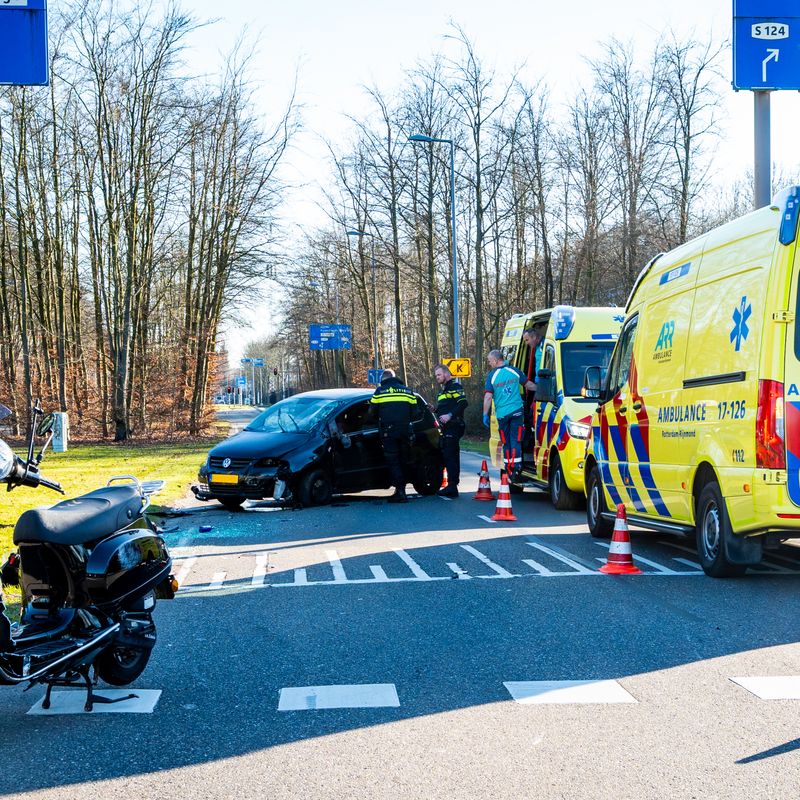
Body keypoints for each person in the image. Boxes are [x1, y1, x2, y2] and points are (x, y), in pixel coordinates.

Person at [482, 349, 536, 479]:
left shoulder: (492, 376)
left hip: (502, 415)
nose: (489, 363)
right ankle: (516, 469)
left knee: (506, 442)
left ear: (496, 360)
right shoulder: (514, 371)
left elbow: (488, 397)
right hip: (517, 412)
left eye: (490, 361)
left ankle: (509, 469)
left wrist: (485, 414)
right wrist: (543, 390)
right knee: (516, 440)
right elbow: (529, 385)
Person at [370, 368, 418, 503]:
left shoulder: (380, 391)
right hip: (405, 431)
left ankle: (400, 491)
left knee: (393, 460)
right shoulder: (407, 391)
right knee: (404, 459)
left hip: (388, 432)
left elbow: (371, 413)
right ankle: (402, 490)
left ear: (383, 379)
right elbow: (415, 413)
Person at [433, 363, 468, 498]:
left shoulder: (455, 387)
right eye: (436, 375)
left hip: (454, 425)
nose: (437, 377)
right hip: (447, 427)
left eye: (439, 374)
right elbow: (445, 407)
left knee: (451, 455)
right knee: (448, 455)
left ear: (447, 374)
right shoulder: (443, 390)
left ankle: (452, 486)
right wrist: (434, 409)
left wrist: (450, 415)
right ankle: (452, 486)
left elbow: (463, 403)